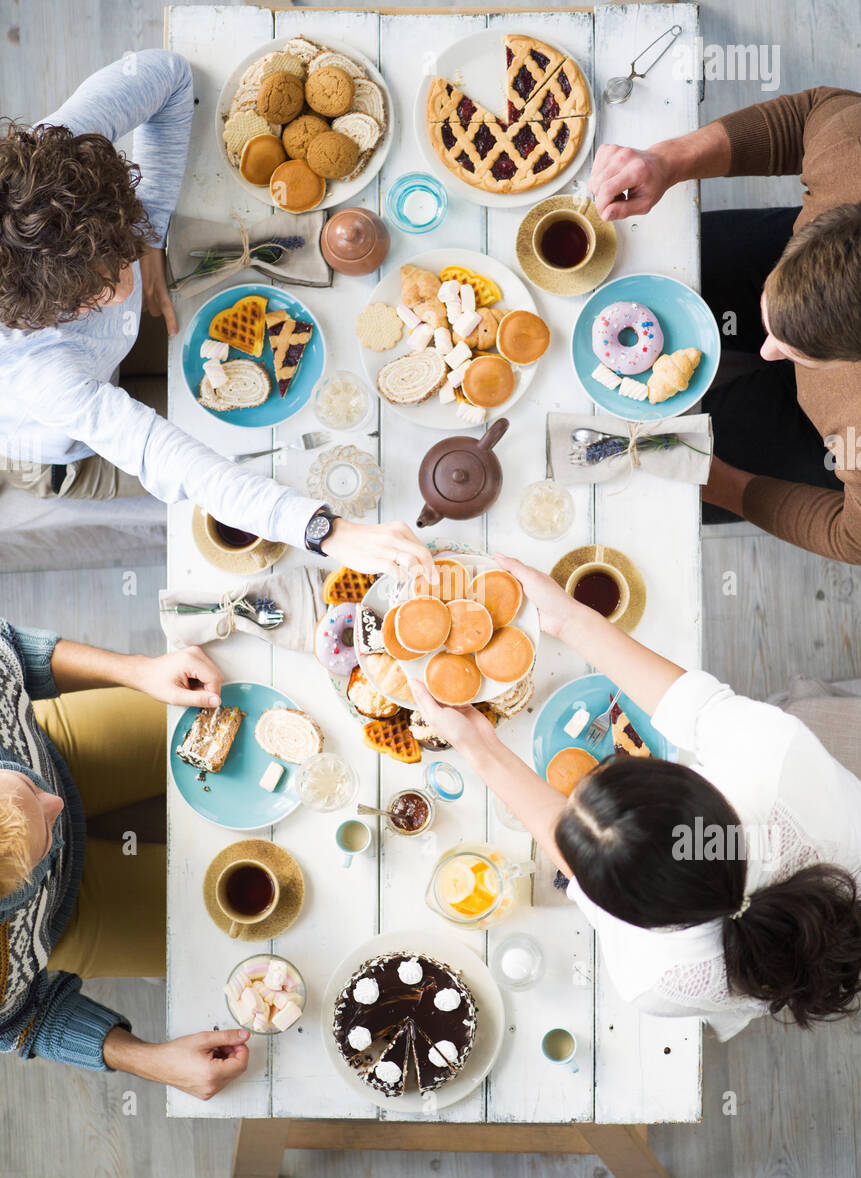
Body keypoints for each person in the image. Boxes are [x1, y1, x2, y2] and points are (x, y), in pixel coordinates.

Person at [0, 51, 432, 585]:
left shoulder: (52, 167)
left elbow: (170, 76)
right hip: (68, 452)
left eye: (114, 255)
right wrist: (326, 530)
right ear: (41, 311)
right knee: (240, 451)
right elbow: (168, 457)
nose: (124, 285)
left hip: (103, 349)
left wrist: (146, 236)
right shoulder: (36, 373)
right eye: (91, 293)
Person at [412, 557, 861, 1040]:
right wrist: (566, 616)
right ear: (695, 786)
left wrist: (477, 747)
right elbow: (699, 706)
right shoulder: (772, 757)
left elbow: (586, 862)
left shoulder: (656, 980)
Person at [587, 87, 861, 563]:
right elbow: (815, 111)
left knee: (668, 479)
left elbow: (852, 538)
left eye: (793, 349)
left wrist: (727, 485)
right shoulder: (851, 158)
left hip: (817, 435)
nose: (766, 348)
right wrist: (669, 160)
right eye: (771, 320)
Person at [0, 618, 250, 1099]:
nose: (56, 804)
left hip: (62, 754)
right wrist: (150, 1061)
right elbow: (22, 1022)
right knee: (262, 919)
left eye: (27, 791)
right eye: (44, 829)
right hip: (68, 914)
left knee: (240, 711)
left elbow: (9, 651)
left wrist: (137, 669)